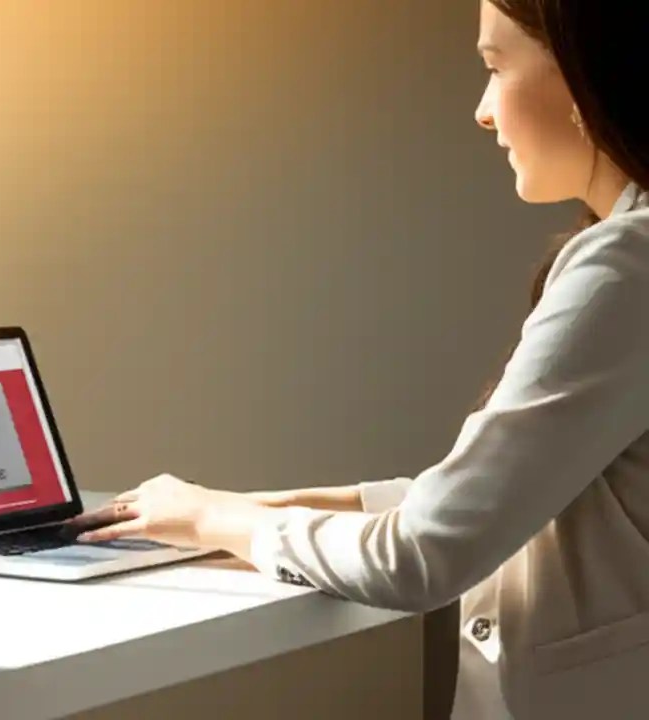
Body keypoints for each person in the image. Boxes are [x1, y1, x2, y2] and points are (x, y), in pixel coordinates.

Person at [68, 2, 649, 718]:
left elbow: (424, 556)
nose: (482, 112)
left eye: (496, 68)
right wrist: (249, 506)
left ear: (585, 72)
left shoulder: (627, 268)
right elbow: (494, 500)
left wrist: (216, 523)